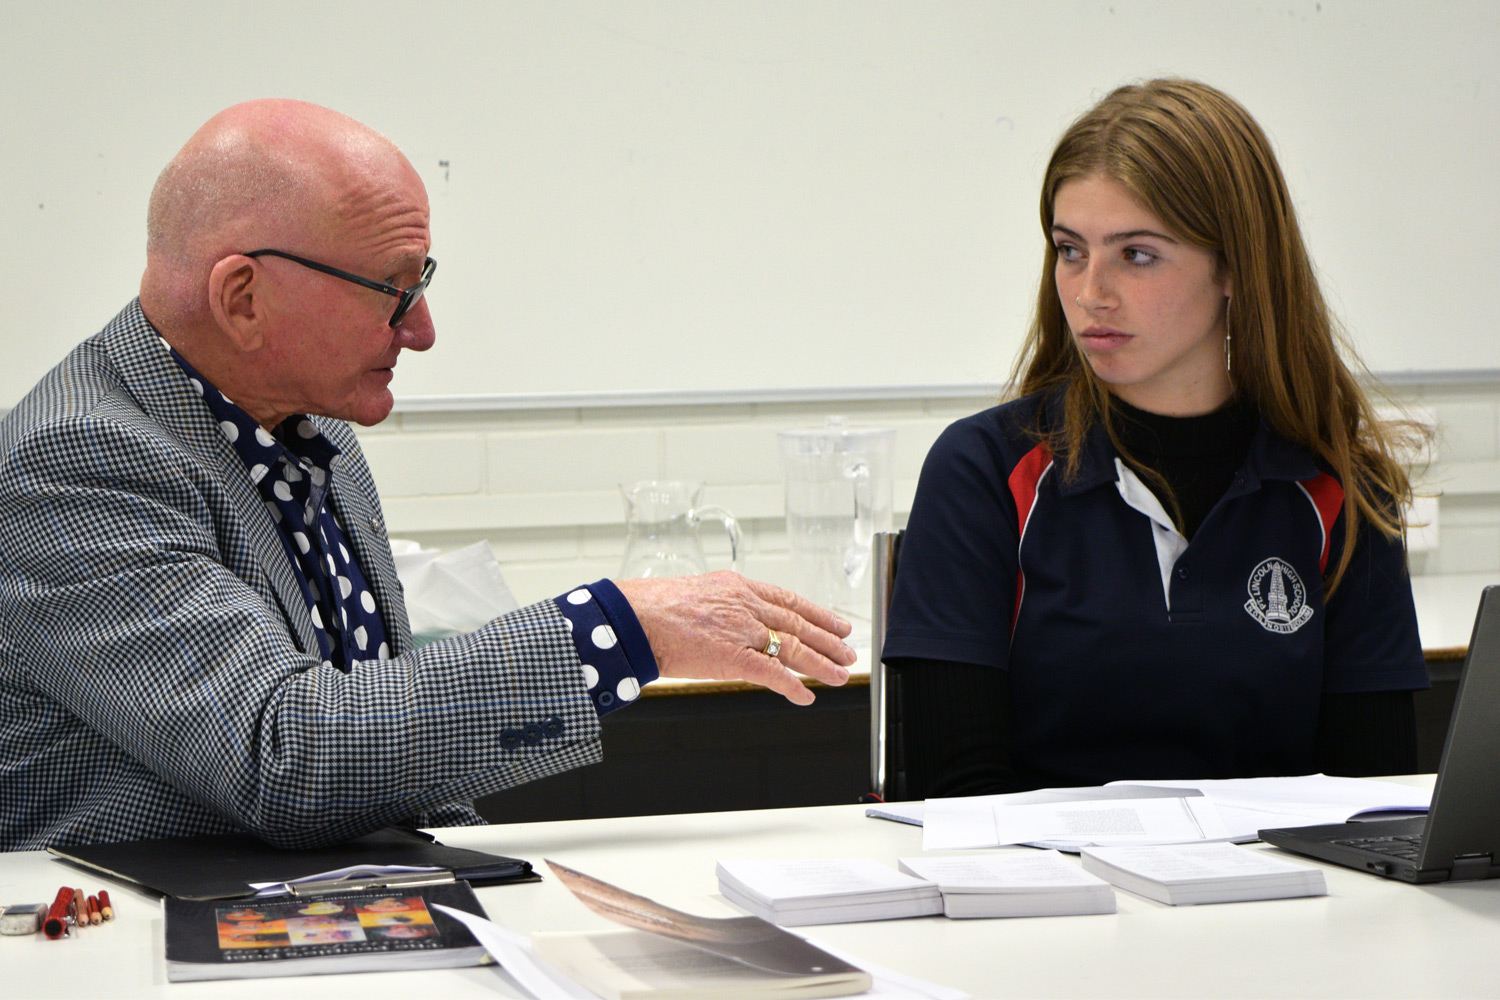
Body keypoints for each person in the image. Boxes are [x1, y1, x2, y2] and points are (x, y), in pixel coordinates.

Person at [0, 99, 854, 852]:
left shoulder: (314, 428)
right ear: (244, 298)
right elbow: (285, 756)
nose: (422, 330)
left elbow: (383, 750)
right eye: (392, 291)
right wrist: (611, 629)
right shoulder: (75, 462)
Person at [882, 78, 1429, 799]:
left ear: (1234, 266)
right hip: (1039, 874)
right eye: (1070, 250)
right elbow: (958, 803)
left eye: (1136, 254)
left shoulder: (1342, 491)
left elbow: (1371, 806)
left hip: (1276, 873)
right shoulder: (984, 470)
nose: (1089, 293)